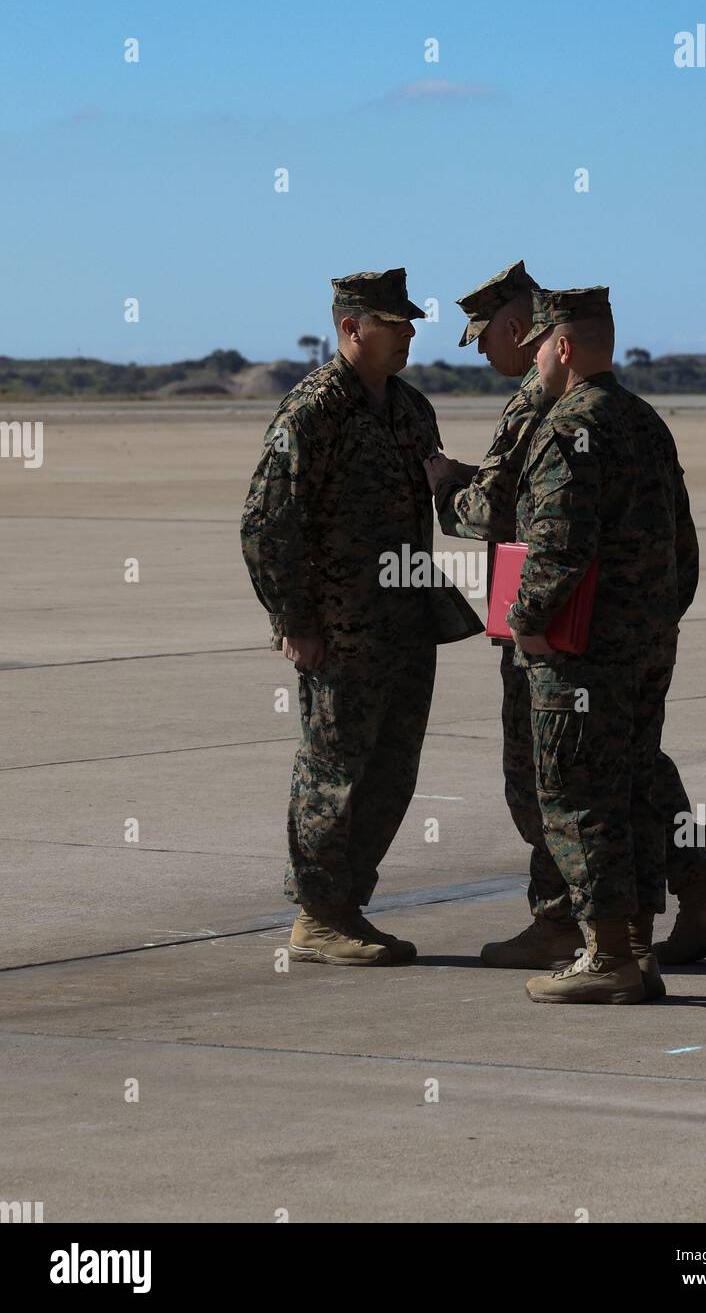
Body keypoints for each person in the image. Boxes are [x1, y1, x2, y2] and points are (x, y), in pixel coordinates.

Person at [428, 277, 706, 973]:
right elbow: (679, 542)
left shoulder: (561, 420)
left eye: (519, 340)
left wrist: (524, 613)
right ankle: (647, 922)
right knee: (631, 772)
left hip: (570, 638)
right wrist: (657, 618)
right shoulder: (641, 417)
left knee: (565, 785)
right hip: (638, 636)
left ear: (552, 342)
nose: (500, 353)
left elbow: (545, 532)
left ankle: (588, 940)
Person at [241, 268, 483, 967]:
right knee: (332, 771)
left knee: (390, 770)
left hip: (407, 617)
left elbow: (438, 498)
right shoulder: (312, 411)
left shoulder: (409, 408)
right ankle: (317, 914)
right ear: (352, 327)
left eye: (410, 325)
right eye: (395, 324)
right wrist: (294, 620)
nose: (407, 335)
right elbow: (266, 523)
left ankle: (347, 905)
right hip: (341, 626)